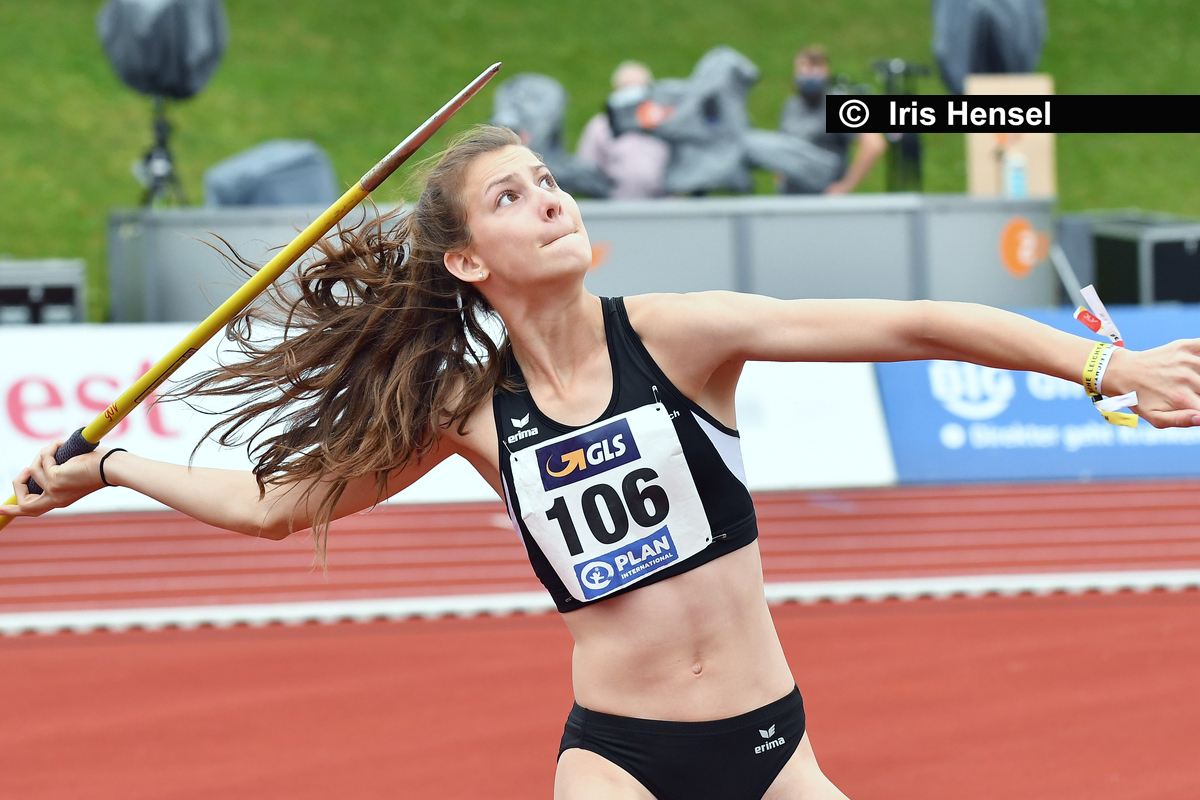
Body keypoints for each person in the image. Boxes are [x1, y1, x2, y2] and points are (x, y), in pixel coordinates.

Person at [7, 125, 1200, 800]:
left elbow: (917, 323)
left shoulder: (680, 334)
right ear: (471, 262)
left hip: (774, 746)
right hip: (618, 755)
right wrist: (112, 465)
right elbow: (275, 505)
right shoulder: (466, 409)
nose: (549, 200)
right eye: (513, 195)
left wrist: (1109, 370)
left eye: (549, 182)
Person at [779, 46, 887, 195]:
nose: (809, 74)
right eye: (804, 68)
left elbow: (874, 143)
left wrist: (846, 185)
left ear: (827, 71)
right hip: (791, 197)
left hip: (825, 197)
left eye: (815, 67)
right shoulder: (792, 105)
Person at [576, 61, 670, 199]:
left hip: (663, 209)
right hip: (615, 208)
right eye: (627, 87)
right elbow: (587, 167)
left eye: (639, 86)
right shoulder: (601, 125)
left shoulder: (663, 123)